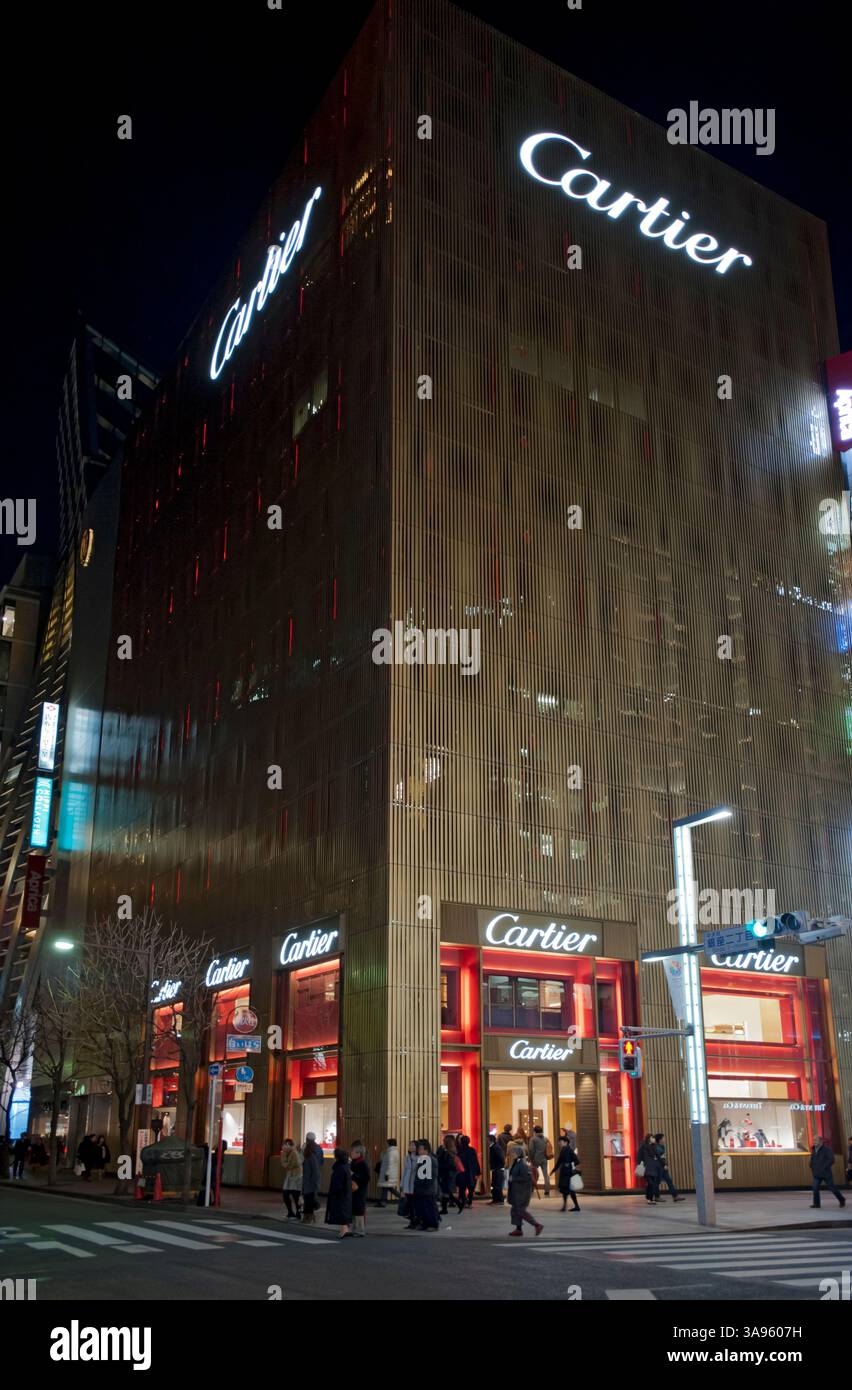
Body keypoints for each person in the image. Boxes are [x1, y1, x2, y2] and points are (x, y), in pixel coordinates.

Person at [507, 1142, 543, 1237]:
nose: (512, 1154)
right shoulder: (516, 1163)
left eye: (513, 1152)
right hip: (517, 1191)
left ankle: (537, 1225)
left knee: (520, 1210)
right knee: (515, 1210)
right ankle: (518, 1229)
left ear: (518, 1153)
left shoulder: (522, 1165)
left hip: (522, 1192)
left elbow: (526, 1178)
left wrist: (513, 1179)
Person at [809, 1136, 847, 1209]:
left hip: (826, 1173)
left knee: (832, 1188)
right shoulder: (813, 1149)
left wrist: (823, 1167)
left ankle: (842, 1199)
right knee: (815, 1188)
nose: (814, 1141)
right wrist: (811, 1166)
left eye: (816, 1140)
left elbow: (831, 1160)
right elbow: (812, 1159)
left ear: (821, 1141)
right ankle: (816, 1204)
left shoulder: (827, 1149)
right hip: (816, 1173)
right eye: (813, 1140)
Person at [411, 1139, 440, 1231]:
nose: (418, 1151)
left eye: (420, 1149)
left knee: (429, 1207)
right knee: (421, 1207)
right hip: (420, 1189)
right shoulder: (422, 1159)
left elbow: (432, 1175)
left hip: (428, 1189)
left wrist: (425, 1186)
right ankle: (424, 1223)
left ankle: (433, 1224)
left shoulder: (431, 1159)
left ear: (426, 1150)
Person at [325, 1147, 353, 1237]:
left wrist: (335, 1192)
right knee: (344, 1210)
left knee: (341, 1211)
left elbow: (337, 1183)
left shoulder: (339, 1168)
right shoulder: (346, 1166)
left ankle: (344, 1230)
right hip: (346, 1193)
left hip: (340, 1194)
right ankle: (344, 1229)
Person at [552, 1134, 581, 1211]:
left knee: (567, 1190)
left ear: (565, 1142)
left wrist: (569, 1164)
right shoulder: (566, 1149)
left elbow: (576, 1161)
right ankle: (570, 1206)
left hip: (567, 1173)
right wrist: (554, 1170)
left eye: (560, 1142)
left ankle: (568, 1206)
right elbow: (576, 1161)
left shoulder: (567, 1149)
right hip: (566, 1172)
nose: (559, 1143)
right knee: (568, 1190)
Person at [438, 1134, 464, 1215]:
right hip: (450, 1174)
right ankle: (445, 1209)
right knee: (446, 1191)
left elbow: (445, 1164)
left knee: (446, 1191)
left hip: (446, 1174)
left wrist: (440, 1152)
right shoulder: (452, 1151)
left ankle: (458, 1203)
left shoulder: (447, 1152)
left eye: (444, 1140)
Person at [654, 1133, 684, 1202]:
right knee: (657, 1182)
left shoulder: (662, 1146)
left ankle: (675, 1196)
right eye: (663, 1138)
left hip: (663, 1166)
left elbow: (663, 1157)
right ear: (660, 1139)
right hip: (659, 1166)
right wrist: (664, 1164)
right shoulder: (656, 1147)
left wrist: (665, 1164)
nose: (664, 1139)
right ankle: (657, 1196)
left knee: (669, 1181)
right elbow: (659, 1158)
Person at [300, 1132, 322, 1223]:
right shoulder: (318, 1149)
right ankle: (309, 1215)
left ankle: (308, 1216)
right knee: (309, 1197)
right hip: (311, 1178)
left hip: (310, 1179)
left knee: (308, 1198)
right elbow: (321, 1162)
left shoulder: (310, 1156)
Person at [350, 1142, 370, 1236]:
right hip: (354, 1189)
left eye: (353, 1152)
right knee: (354, 1208)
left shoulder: (362, 1164)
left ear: (359, 1153)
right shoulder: (355, 1162)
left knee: (358, 1208)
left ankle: (360, 1230)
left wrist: (353, 1175)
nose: (351, 1153)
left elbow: (366, 1178)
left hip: (360, 1189)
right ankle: (355, 1229)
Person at [280, 1137, 303, 1219]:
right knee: (285, 1194)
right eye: (284, 1145)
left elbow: (294, 1164)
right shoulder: (284, 1153)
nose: (284, 1147)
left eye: (286, 1145)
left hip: (297, 1176)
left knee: (295, 1195)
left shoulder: (294, 1153)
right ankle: (290, 1212)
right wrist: (287, 1164)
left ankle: (298, 1212)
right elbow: (283, 1163)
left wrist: (287, 1164)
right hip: (289, 1176)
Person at [637, 1133, 662, 1204]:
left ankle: (649, 1198)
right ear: (649, 1138)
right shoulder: (643, 1146)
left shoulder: (654, 1147)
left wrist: (663, 1164)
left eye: (654, 1138)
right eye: (652, 1138)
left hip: (653, 1167)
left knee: (652, 1184)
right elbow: (639, 1155)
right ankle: (649, 1199)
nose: (654, 1139)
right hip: (646, 1167)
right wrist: (639, 1164)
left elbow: (658, 1156)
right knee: (650, 1183)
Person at [528, 1125, 552, 1197]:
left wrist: (530, 1158)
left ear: (535, 1131)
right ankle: (547, 1190)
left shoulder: (533, 1139)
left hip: (535, 1159)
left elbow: (531, 1150)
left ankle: (531, 1188)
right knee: (545, 1175)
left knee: (532, 1174)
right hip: (544, 1159)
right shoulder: (545, 1139)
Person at [376, 1138, 400, 1207]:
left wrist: (387, 1173)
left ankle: (383, 1202)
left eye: (386, 1143)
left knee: (387, 1187)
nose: (385, 1144)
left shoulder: (391, 1152)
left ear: (389, 1144)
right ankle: (402, 1198)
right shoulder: (391, 1151)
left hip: (388, 1173)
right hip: (390, 1173)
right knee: (388, 1188)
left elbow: (390, 1164)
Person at [458, 1133, 480, 1206]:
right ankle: (469, 1201)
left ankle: (464, 1201)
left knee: (462, 1188)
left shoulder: (459, 1151)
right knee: (470, 1187)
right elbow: (476, 1161)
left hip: (461, 1172)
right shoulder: (472, 1150)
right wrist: (478, 1172)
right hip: (471, 1172)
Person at [400, 1140, 418, 1227]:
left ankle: (415, 1221)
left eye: (413, 1145)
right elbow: (405, 1172)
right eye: (410, 1145)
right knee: (410, 1204)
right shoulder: (407, 1157)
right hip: (407, 1184)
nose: (411, 1147)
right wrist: (402, 1185)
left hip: (414, 1184)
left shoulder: (419, 1158)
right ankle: (412, 1222)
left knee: (414, 1204)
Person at [488, 1132, 506, 1204]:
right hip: (496, 1168)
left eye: (487, 1140)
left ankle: (499, 1199)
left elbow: (501, 1158)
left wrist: (499, 1166)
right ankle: (495, 1199)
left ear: (490, 1140)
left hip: (498, 1168)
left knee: (497, 1184)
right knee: (495, 1184)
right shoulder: (494, 1147)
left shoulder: (495, 1147)